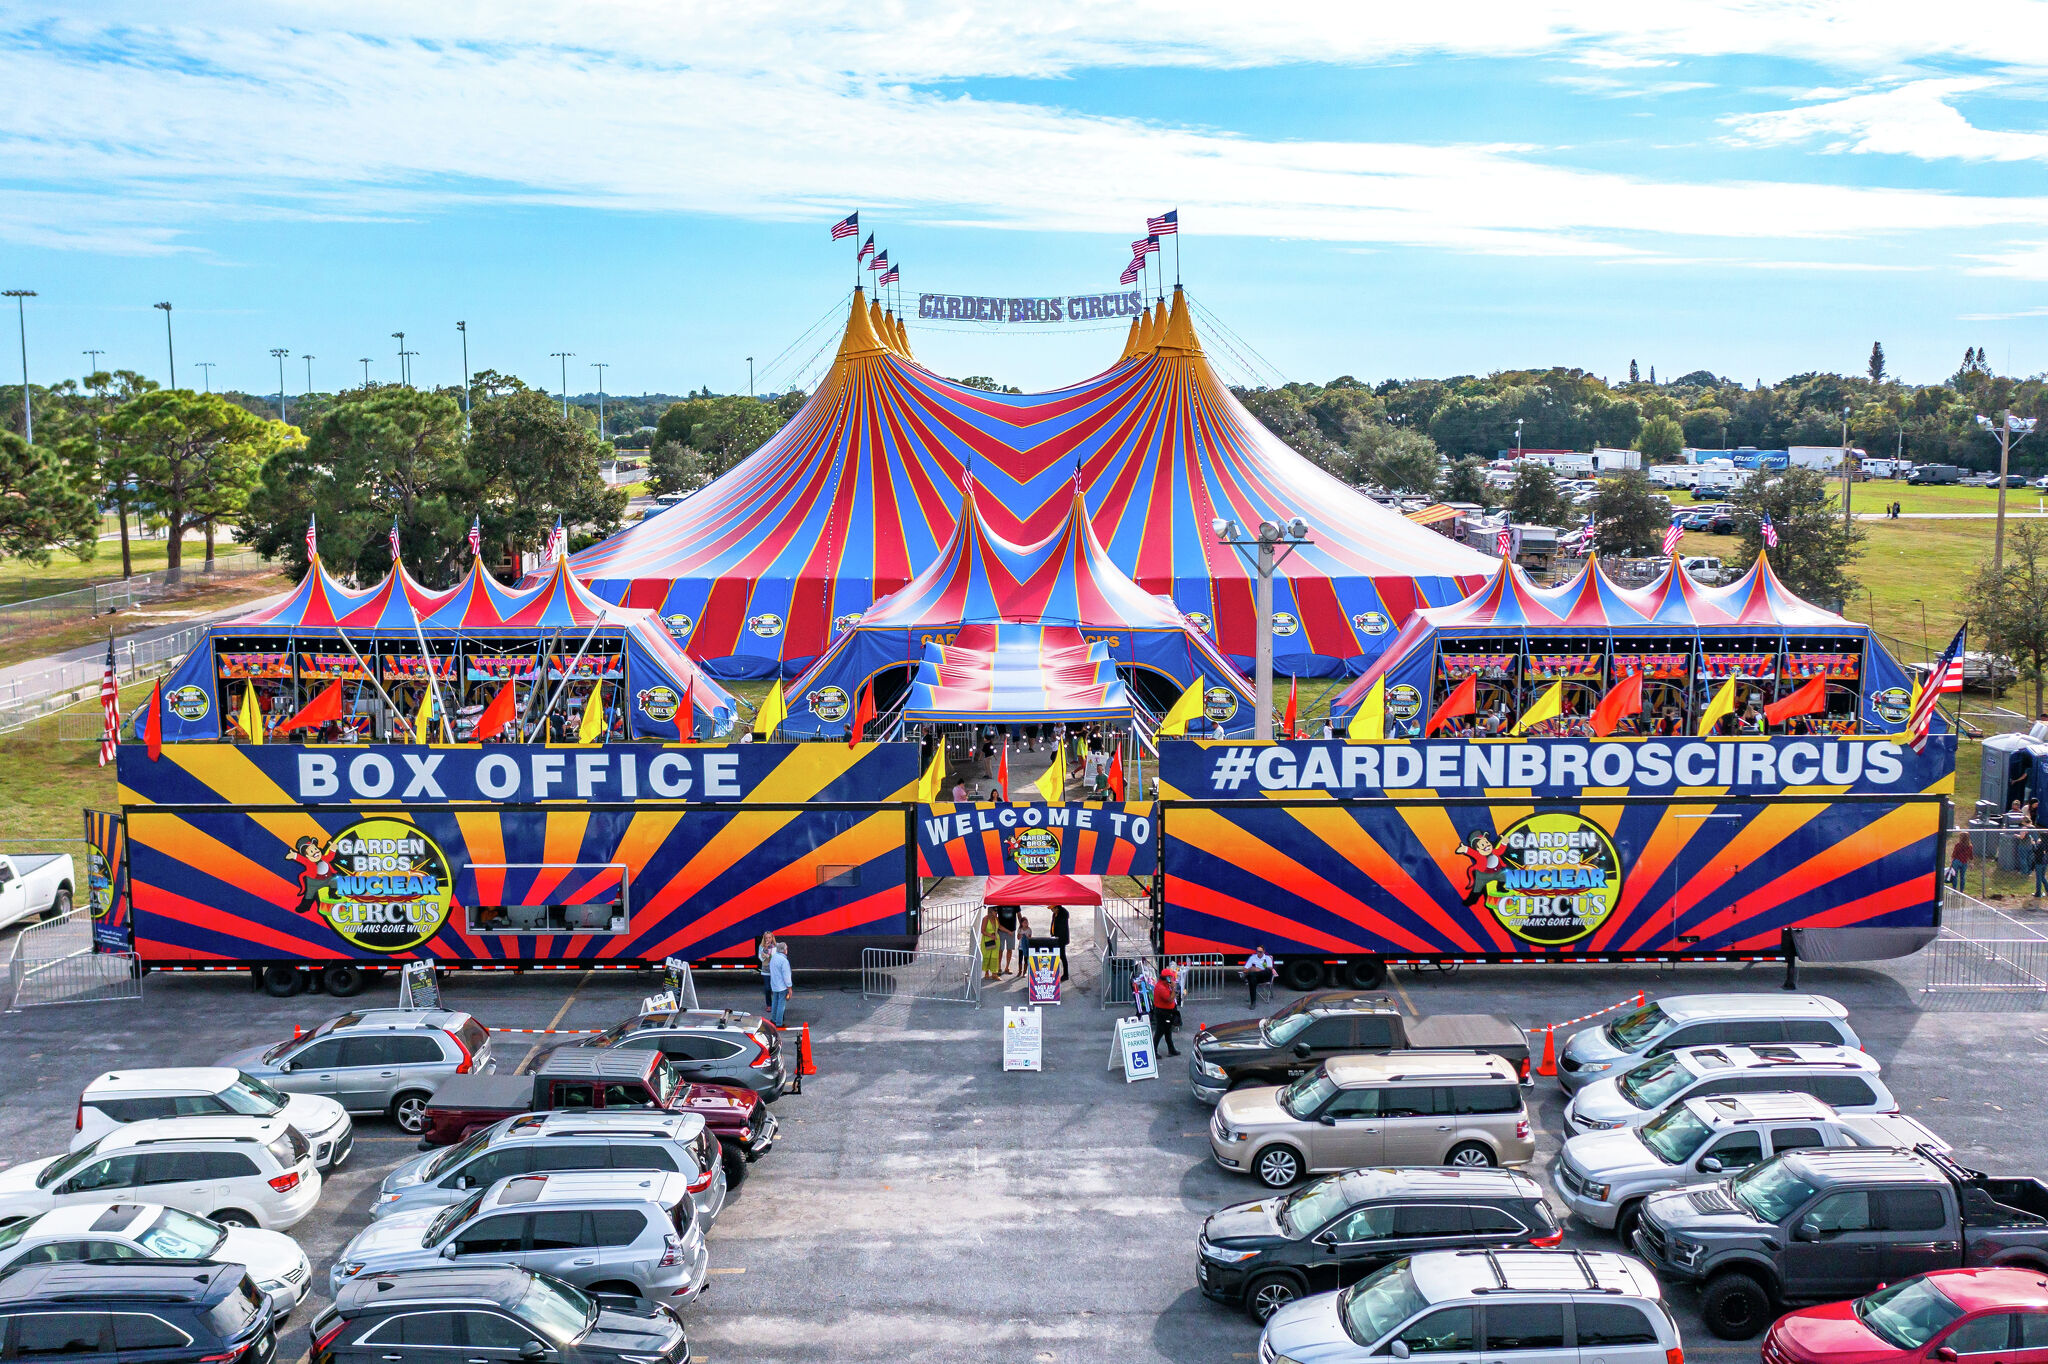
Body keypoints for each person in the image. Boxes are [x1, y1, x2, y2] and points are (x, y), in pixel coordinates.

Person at [1150, 963, 1183, 1057]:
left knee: (1168, 1031)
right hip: (1163, 1013)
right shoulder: (1161, 988)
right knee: (1160, 1032)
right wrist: (1174, 989)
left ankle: (1171, 1049)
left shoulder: (1164, 985)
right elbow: (1170, 999)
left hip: (1167, 1012)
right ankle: (1154, 1051)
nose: (1172, 979)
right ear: (1167, 979)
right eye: (1171, 978)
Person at [767, 942, 793, 1028]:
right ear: (784, 950)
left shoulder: (773, 958)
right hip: (782, 986)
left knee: (775, 1002)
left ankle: (773, 1019)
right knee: (781, 1004)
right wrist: (789, 988)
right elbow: (786, 976)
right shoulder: (784, 961)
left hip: (774, 984)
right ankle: (779, 1022)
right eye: (786, 949)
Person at [994, 901, 1020, 974]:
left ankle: (1007, 967)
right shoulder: (1000, 902)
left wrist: (1021, 928)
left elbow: (1019, 914)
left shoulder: (1015, 902)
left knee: (1009, 949)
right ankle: (999, 967)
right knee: (1000, 949)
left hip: (1012, 930)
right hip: (1001, 930)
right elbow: (995, 914)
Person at [756, 932, 780, 1010]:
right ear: (764, 938)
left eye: (770, 938)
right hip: (766, 969)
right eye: (766, 938)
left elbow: (779, 956)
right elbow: (761, 958)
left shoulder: (776, 946)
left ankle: (776, 1004)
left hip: (775, 969)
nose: (768, 939)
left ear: (772, 938)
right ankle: (769, 1005)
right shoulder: (761, 946)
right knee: (767, 988)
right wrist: (765, 950)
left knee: (776, 988)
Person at [979, 909, 1002, 981]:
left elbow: (1000, 927)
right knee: (987, 957)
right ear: (991, 911)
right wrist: (990, 936)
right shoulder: (985, 918)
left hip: (995, 939)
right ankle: (986, 973)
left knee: (995, 957)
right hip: (988, 940)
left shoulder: (996, 918)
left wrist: (1008, 931)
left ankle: (994, 974)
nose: (996, 912)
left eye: (997, 911)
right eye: (995, 911)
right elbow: (982, 931)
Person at [1049, 903, 1070, 980]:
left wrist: (1057, 938)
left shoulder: (1063, 913)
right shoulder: (1055, 914)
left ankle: (1066, 974)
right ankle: (1055, 972)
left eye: (1052, 908)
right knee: (1055, 955)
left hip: (1061, 939)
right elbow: (1053, 924)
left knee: (1062, 956)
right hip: (1055, 938)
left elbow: (1061, 928)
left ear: (1057, 907)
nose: (1051, 910)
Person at [1014, 911, 1034, 975]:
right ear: (1021, 923)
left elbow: (1030, 938)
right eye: (1024, 922)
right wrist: (1021, 935)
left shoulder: (1029, 929)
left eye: (1027, 922)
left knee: (1026, 959)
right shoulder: (1020, 929)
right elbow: (1018, 938)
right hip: (1020, 947)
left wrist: (1027, 936)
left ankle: (1024, 972)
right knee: (1020, 959)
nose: (1026, 924)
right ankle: (1019, 971)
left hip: (1027, 946)